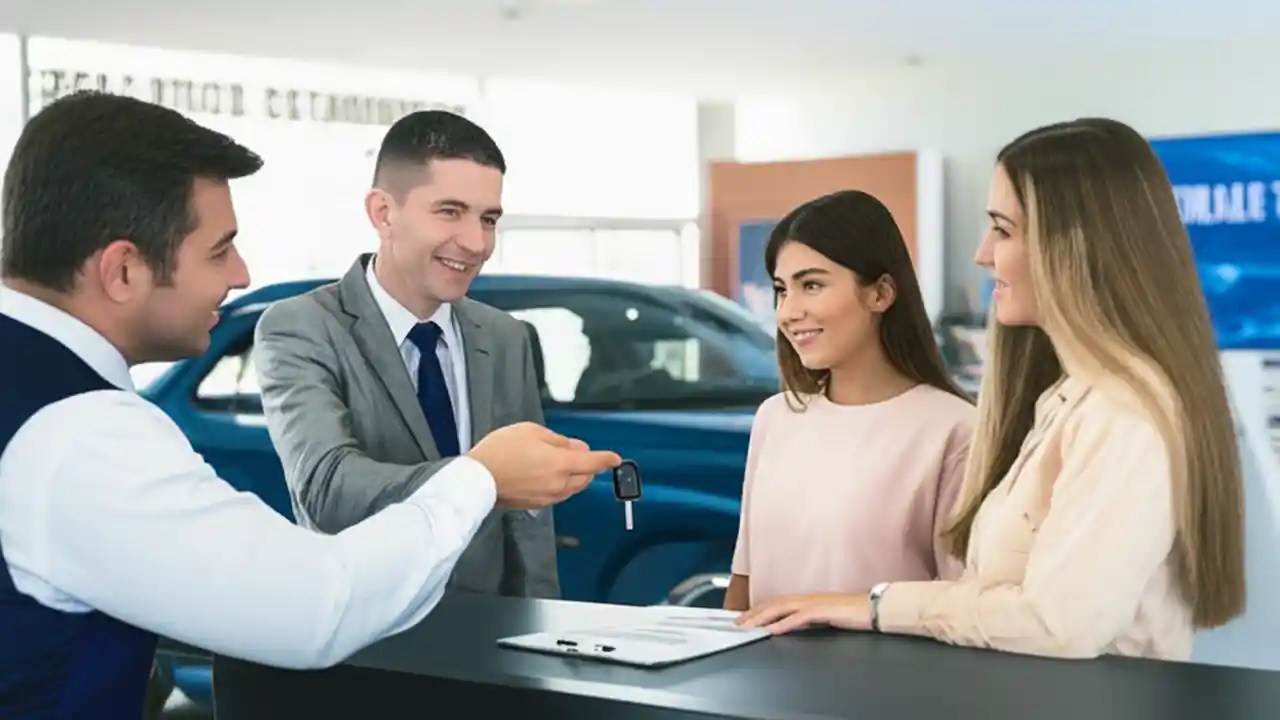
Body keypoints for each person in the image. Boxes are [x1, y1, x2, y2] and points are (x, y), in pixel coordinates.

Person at [0, 91, 621, 719]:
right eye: (219, 249)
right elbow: (315, 604)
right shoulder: (77, 432)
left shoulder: (38, 396)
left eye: (488, 217)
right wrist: (482, 477)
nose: (240, 273)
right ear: (122, 271)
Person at [737, 118, 1247, 661]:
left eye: (1002, 230)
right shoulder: (1065, 402)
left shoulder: (1126, 413)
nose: (982, 254)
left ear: (1074, 241)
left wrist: (871, 605)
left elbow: (1060, 624)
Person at [251, 110, 561, 598]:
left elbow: (527, 523)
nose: (477, 243)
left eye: (489, 219)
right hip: (368, 641)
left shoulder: (505, 337)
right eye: (450, 211)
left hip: (487, 641)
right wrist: (482, 478)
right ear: (382, 213)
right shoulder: (302, 327)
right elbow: (327, 491)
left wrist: (537, 637)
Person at [723, 190, 975, 612]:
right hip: (764, 673)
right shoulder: (777, 418)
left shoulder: (954, 428)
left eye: (812, 285)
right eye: (782, 290)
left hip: (887, 676)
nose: (788, 311)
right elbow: (744, 583)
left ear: (881, 293)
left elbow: (961, 605)